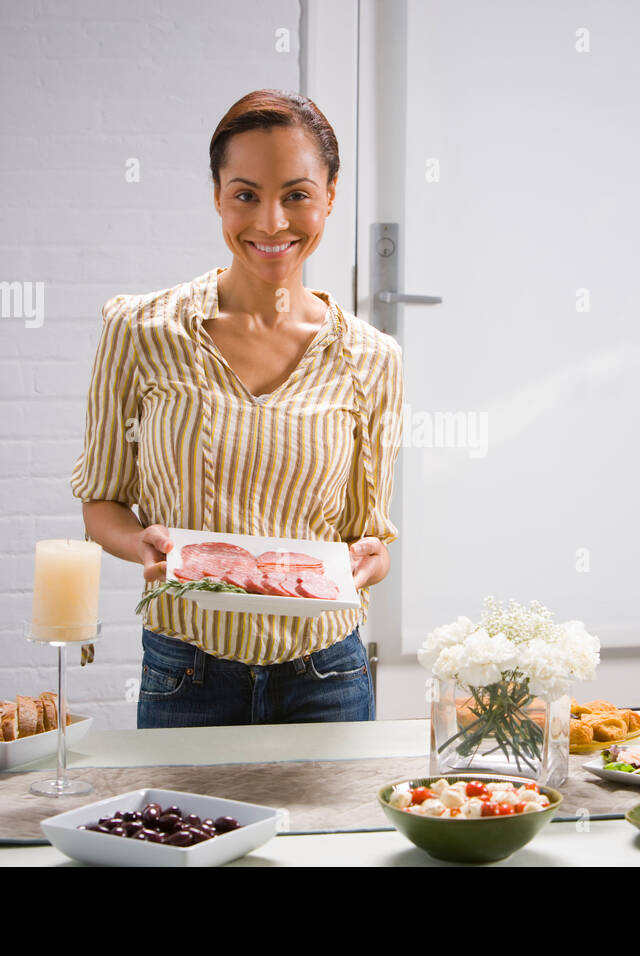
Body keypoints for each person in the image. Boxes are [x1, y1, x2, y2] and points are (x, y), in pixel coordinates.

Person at [70, 90, 403, 728]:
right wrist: (140, 542)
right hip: (186, 670)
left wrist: (371, 561)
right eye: (246, 194)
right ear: (218, 195)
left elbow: (369, 538)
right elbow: (100, 504)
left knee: (336, 834)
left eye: (297, 194)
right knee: (183, 828)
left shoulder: (372, 358)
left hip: (326, 675)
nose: (272, 222)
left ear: (330, 195)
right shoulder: (141, 331)